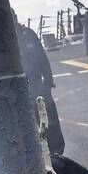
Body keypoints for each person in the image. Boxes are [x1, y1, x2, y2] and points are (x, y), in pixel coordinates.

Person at [15, 14, 65, 155]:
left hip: (37, 84)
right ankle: (37, 154)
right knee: (28, 124)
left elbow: (42, 58)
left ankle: (57, 151)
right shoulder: (3, 39)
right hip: (19, 89)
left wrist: (48, 83)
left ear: (15, 17)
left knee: (50, 117)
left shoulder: (28, 34)